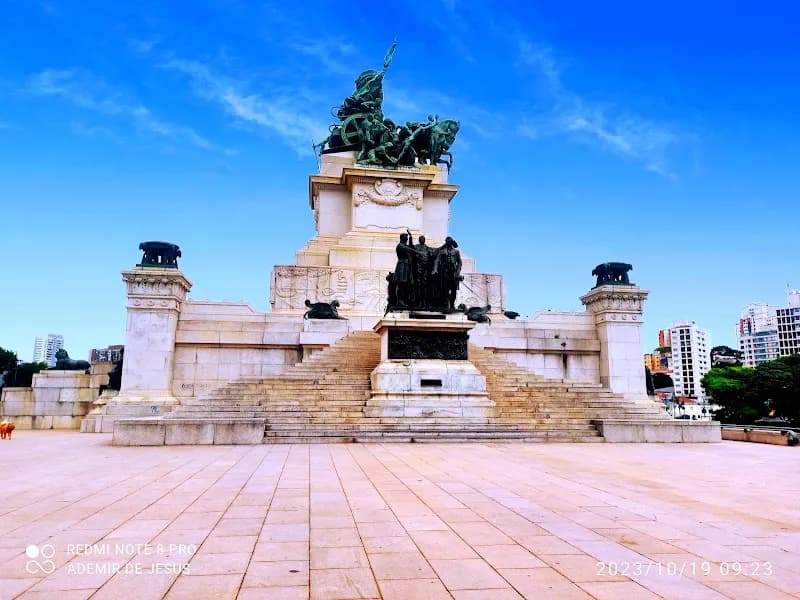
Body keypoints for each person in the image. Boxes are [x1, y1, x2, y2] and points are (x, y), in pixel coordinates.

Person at [432, 236, 463, 310]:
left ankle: (452, 304)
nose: (448, 243)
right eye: (447, 242)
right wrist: (435, 269)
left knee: (453, 289)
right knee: (445, 289)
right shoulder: (442, 251)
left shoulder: (456, 251)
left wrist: (457, 272)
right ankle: (446, 304)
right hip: (444, 271)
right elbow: (437, 260)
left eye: (449, 242)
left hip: (453, 272)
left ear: (451, 243)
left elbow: (459, 262)